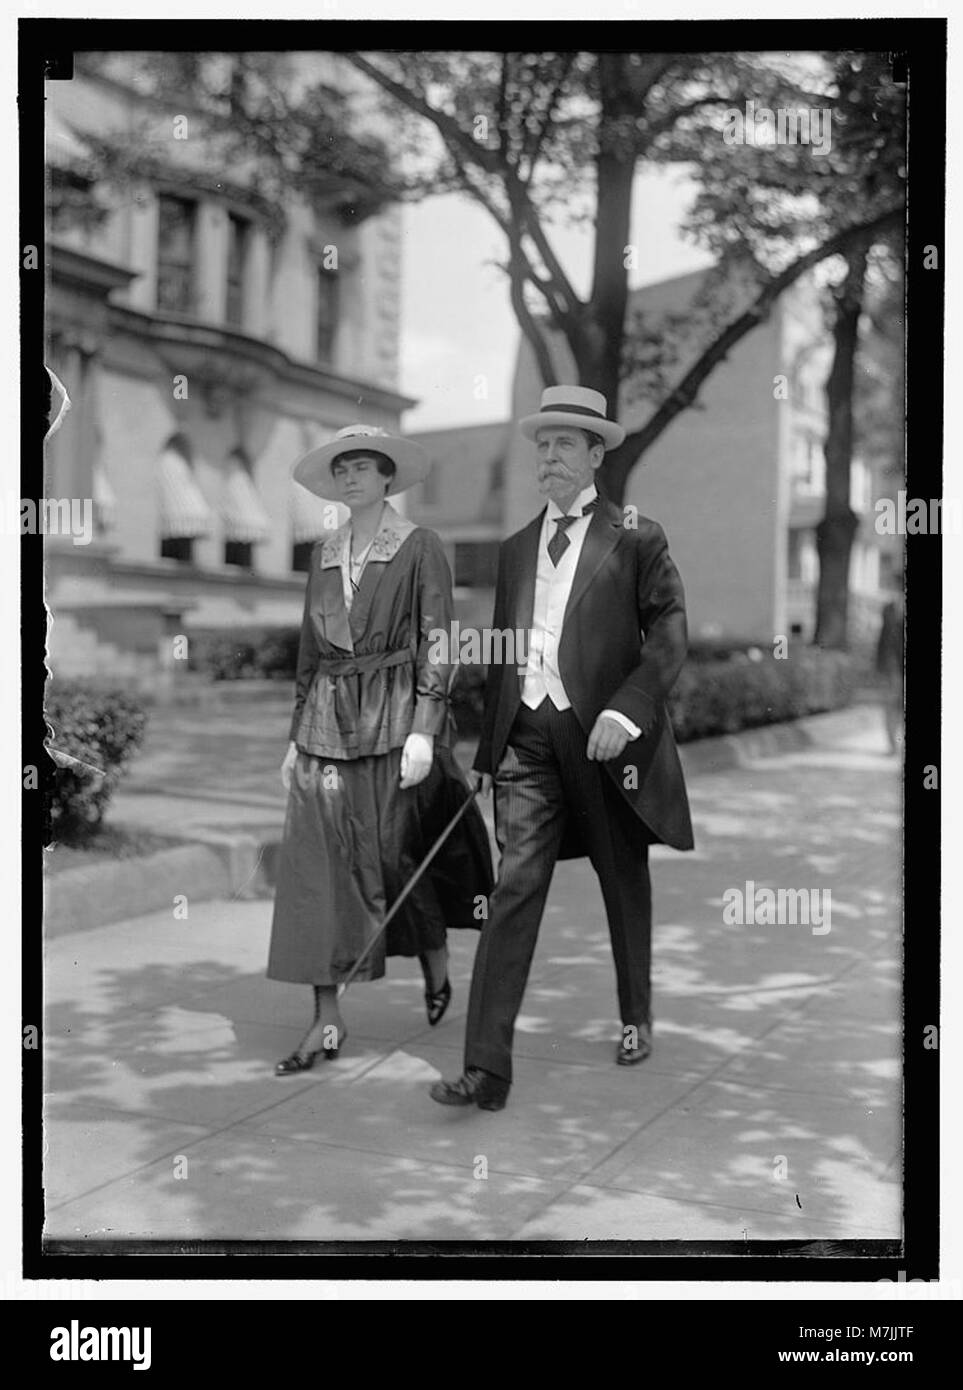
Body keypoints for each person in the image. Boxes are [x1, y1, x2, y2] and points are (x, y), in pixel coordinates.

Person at [430, 386, 694, 1112]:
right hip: (526, 742)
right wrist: (485, 758)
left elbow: (667, 635)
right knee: (512, 888)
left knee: (621, 880)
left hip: (604, 742)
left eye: (563, 445)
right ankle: (485, 1069)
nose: (547, 457)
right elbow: (505, 658)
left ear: (596, 454)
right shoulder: (516, 548)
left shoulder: (637, 536)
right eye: (541, 445)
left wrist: (629, 710)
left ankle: (635, 1017)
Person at [267, 424, 494, 1073]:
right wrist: (293, 740)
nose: (351, 476)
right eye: (342, 468)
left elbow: (438, 640)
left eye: (364, 465)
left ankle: (434, 959)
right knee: (318, 870)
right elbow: (311, 652)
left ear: (386, 477)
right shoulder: (323, 551)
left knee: (393, 859)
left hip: (395, 719)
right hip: (323, 725)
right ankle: (326, 1019)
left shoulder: (420, 546)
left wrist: (425, 726)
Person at [876, 585, 904, 754]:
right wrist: (880, 664)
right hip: (891, 664)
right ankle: (892, 745)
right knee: (890, 704)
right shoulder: (888, 609)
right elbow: (883, 638)